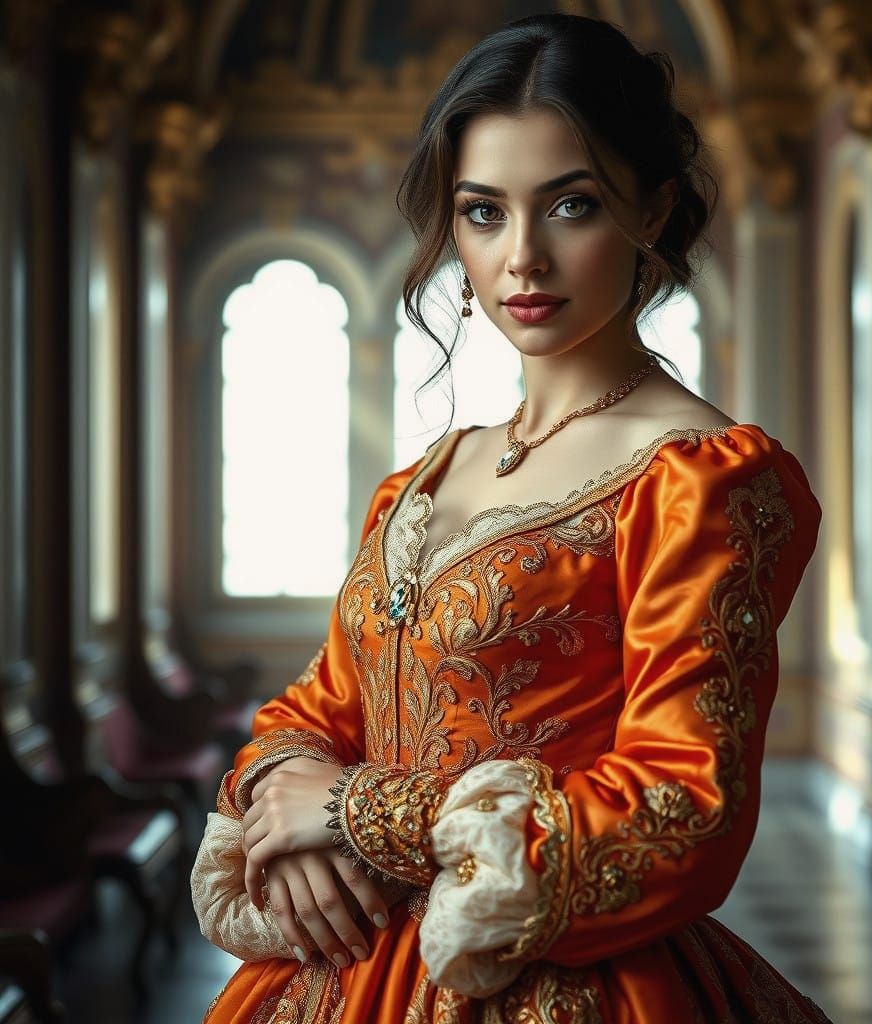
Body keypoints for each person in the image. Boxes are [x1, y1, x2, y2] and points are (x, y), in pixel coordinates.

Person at [191, 12, 831, 1023]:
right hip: (334, 970)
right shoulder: (423, 478)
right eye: (482, 212)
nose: (520, 256)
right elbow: (323, 706)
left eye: (570, 205)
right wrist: (288, 783)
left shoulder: (702, 478)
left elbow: (681, 809)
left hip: (559, 980)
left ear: (653, 210)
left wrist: (357, 813)